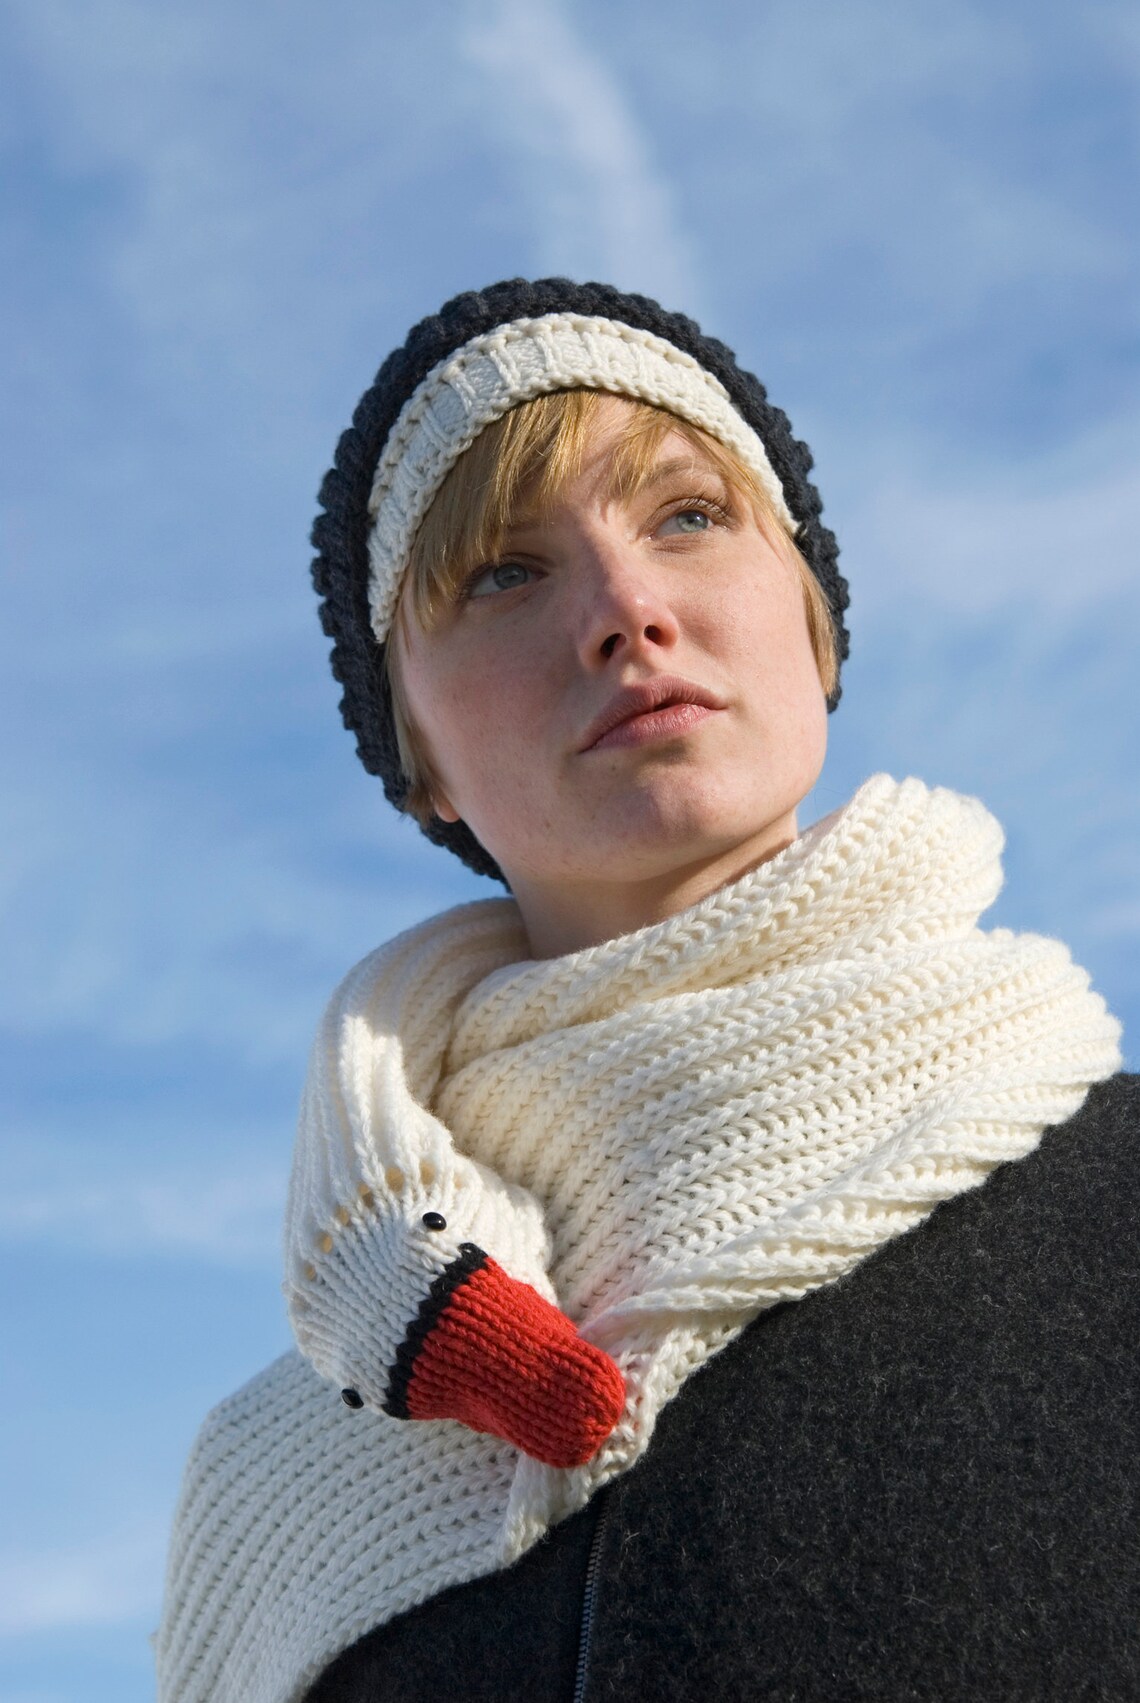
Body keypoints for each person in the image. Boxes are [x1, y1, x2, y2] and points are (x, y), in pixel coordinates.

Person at [156, 279, 1135, 1703]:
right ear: (415, 756)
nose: (627, 612)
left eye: (688, 516)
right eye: (505, 572)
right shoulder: (281, 1492)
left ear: (815, 623)